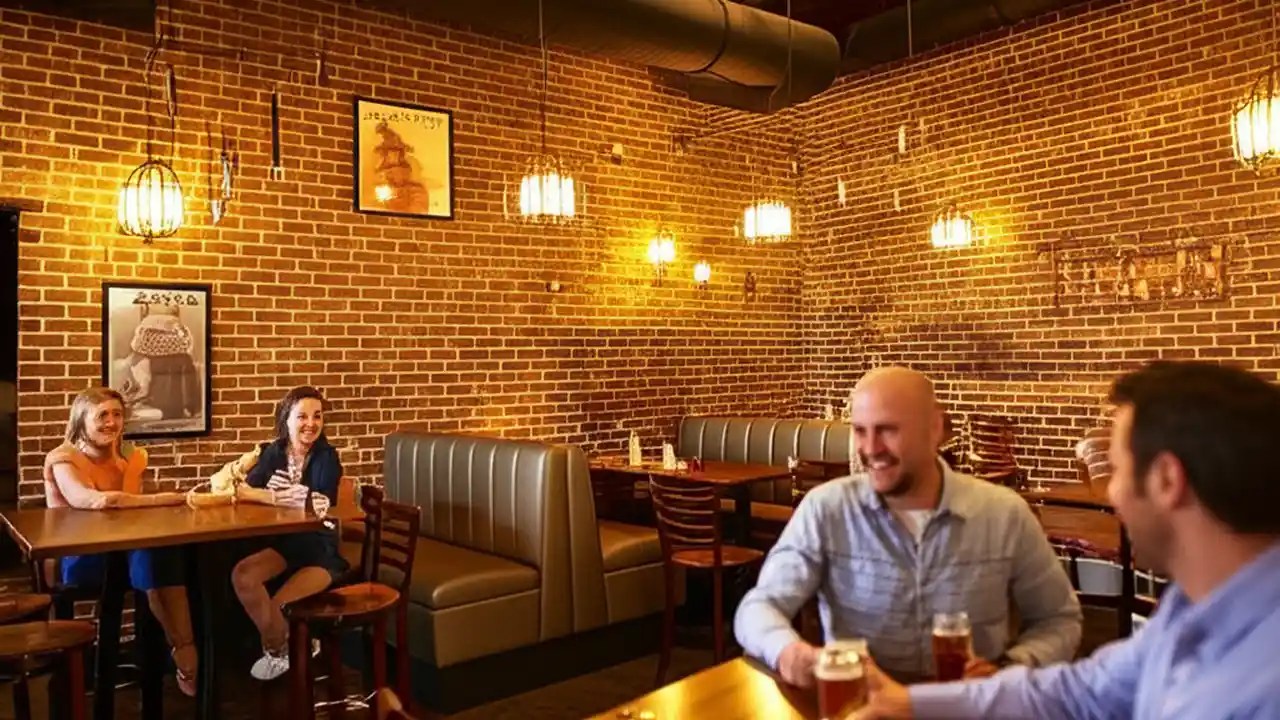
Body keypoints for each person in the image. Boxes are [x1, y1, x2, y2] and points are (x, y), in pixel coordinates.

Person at [853, 361, 1280, 719]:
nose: (1111, 492)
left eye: (1117, 469)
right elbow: (1080, 691)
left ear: (1167, 479)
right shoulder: (1188, 610)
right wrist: (908, 703)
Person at [735, 367, 1081, 686]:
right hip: (863, 705)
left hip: (967, 707)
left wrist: (1013, 670)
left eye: (887, 430)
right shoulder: (826, 509)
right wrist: (788, 651)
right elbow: (758, 607)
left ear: (934, 429)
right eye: (860, 431)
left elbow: (1058, 620)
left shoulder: (1005, 514)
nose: (871, 449)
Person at [42, 387, 201, 696]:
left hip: (125, 552)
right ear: (81, 420)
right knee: (150, 553)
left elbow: (129, 512)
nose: (111, 422)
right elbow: (92, 501)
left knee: (165, 549)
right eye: (102, 415)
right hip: (78, 558)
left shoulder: (130, 456)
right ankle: (185, 652)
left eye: (117, 414)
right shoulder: (64, 457)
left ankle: (183, 649)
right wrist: (173, 498)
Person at [223, 386, 348, 681]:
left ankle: (279, 653)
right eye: (302, 416)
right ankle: (293, 647)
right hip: (285, 545)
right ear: (286, 420)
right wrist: (271, 495)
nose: (311, 423)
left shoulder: (327, 457)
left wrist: (291, 493)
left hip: (320, 548)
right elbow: (243, 490)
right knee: (243, 575)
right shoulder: (272, 453)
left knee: (279, 606)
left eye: (317, 416)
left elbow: (321, 500)